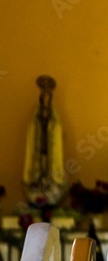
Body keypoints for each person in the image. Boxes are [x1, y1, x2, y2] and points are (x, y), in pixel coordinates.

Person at [23, 75, 67, 206]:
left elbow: (57, 131)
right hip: (38, 153)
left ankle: (49, 190)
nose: (46, 101)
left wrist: (50, 126)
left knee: (50, 173)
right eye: (44, 99)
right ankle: (37, 188)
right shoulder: (34, 121)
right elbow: (31, 132)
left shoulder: (55, 122)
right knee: (38, 171)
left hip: (50, 155)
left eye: (48, 98)